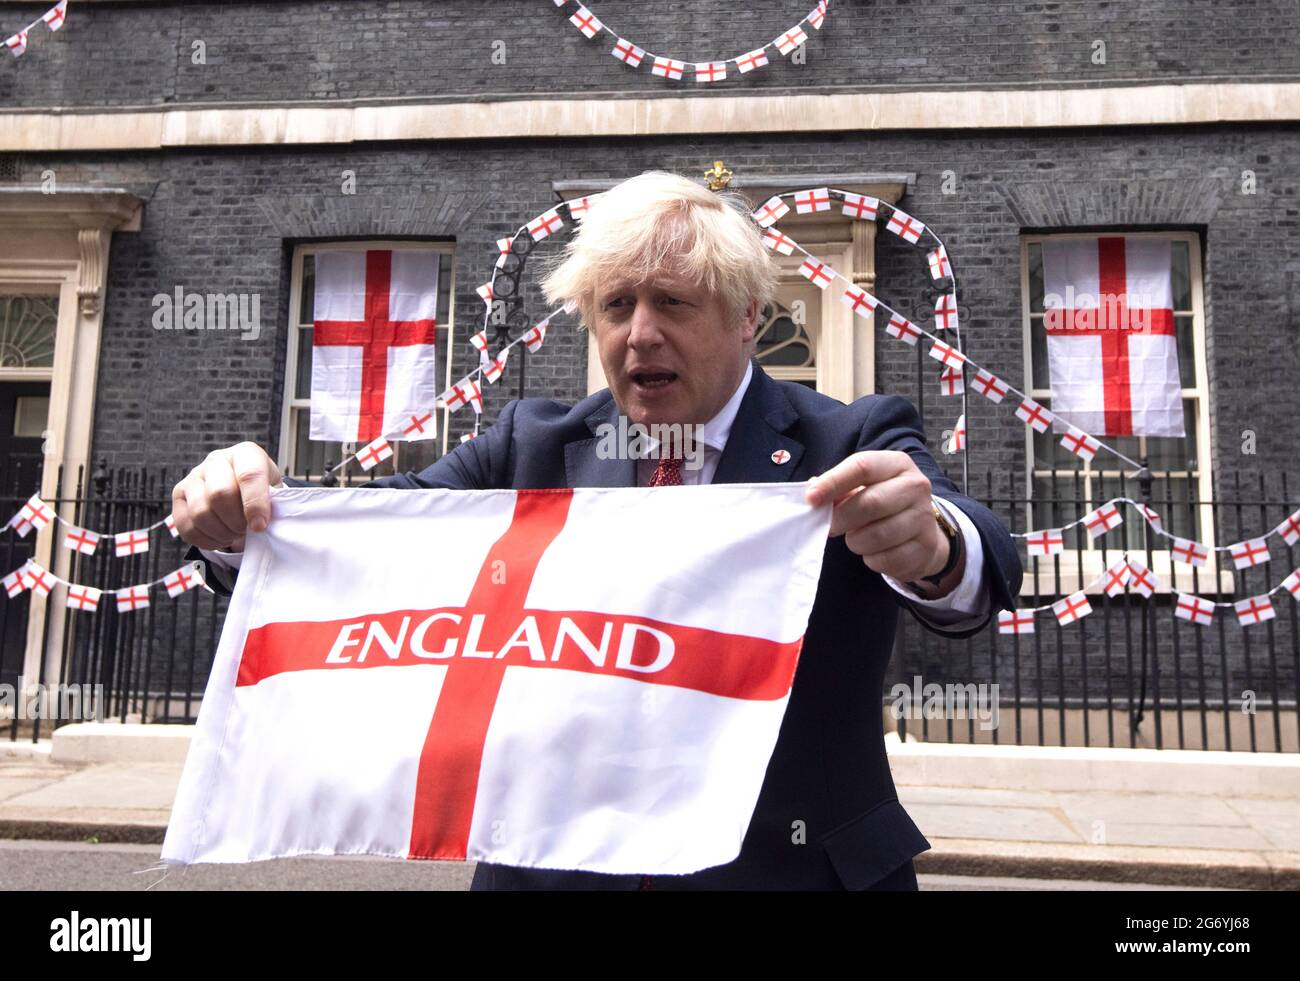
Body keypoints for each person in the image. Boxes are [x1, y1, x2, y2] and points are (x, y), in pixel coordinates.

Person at [174, 171, 1022, 890]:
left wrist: (936, 545)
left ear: (748, 320)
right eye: (615, 304)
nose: (639, 332)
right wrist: (248, 517)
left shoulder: (851, 438)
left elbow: (980, 565)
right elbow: (376, 538)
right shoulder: (529, 446)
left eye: (673, 303)